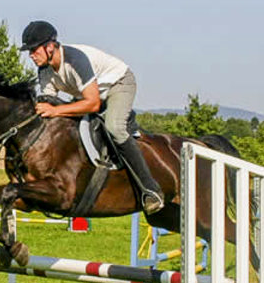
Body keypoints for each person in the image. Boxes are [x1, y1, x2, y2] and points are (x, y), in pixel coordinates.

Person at [19, 20, 164, 214]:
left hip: (117, 84)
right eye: (29, 51)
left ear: (50, 46)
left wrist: (56, 110)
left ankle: (150, 189)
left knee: (114, 128)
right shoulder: (44, 69)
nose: (31, 55)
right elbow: (49, 103)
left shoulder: (74, 60)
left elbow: (93, 104)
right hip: (89, 94)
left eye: (34, 50)